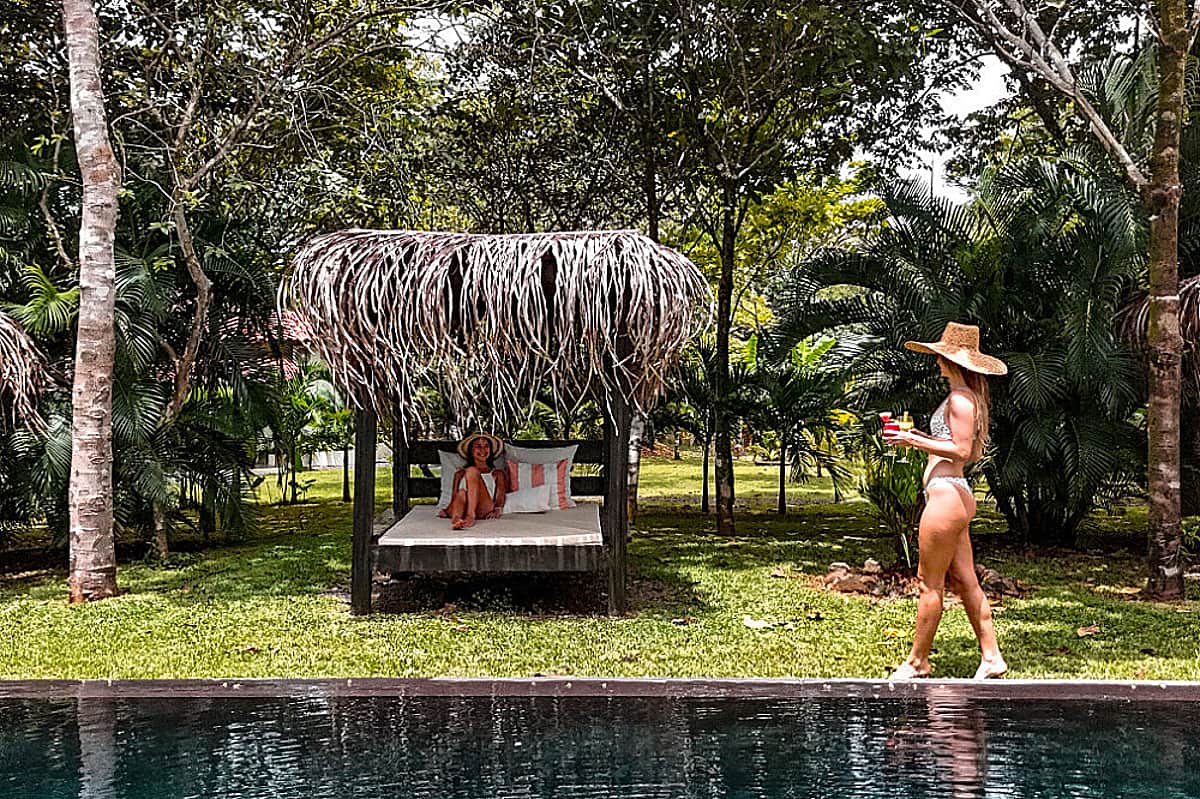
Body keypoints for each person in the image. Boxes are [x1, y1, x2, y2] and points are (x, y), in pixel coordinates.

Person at [883, 322, 1008, 680]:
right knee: (966, 580)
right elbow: (954, 443)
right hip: (953, 495)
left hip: (947, 498)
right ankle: (991, 657)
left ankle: (918, 661)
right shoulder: (966, 397)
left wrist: (915, 444)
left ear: (951, 360)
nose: (936, 361)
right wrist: (917, 434)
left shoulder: (960, 399)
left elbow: (962, 450)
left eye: (940, 355)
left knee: (929, 583)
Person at [438, 433, 507, 529]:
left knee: (472, 471)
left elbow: (500, 496)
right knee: (462, 492)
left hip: (484, 508)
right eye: (478, 446)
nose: (483, 450)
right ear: (471, 450)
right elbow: (455, 496)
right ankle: (457, 519)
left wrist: (497, 509)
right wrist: (448, 510)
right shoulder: (460, 474)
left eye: (486, 446)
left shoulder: (497, 473)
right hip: (463, 507)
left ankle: (471, 515)